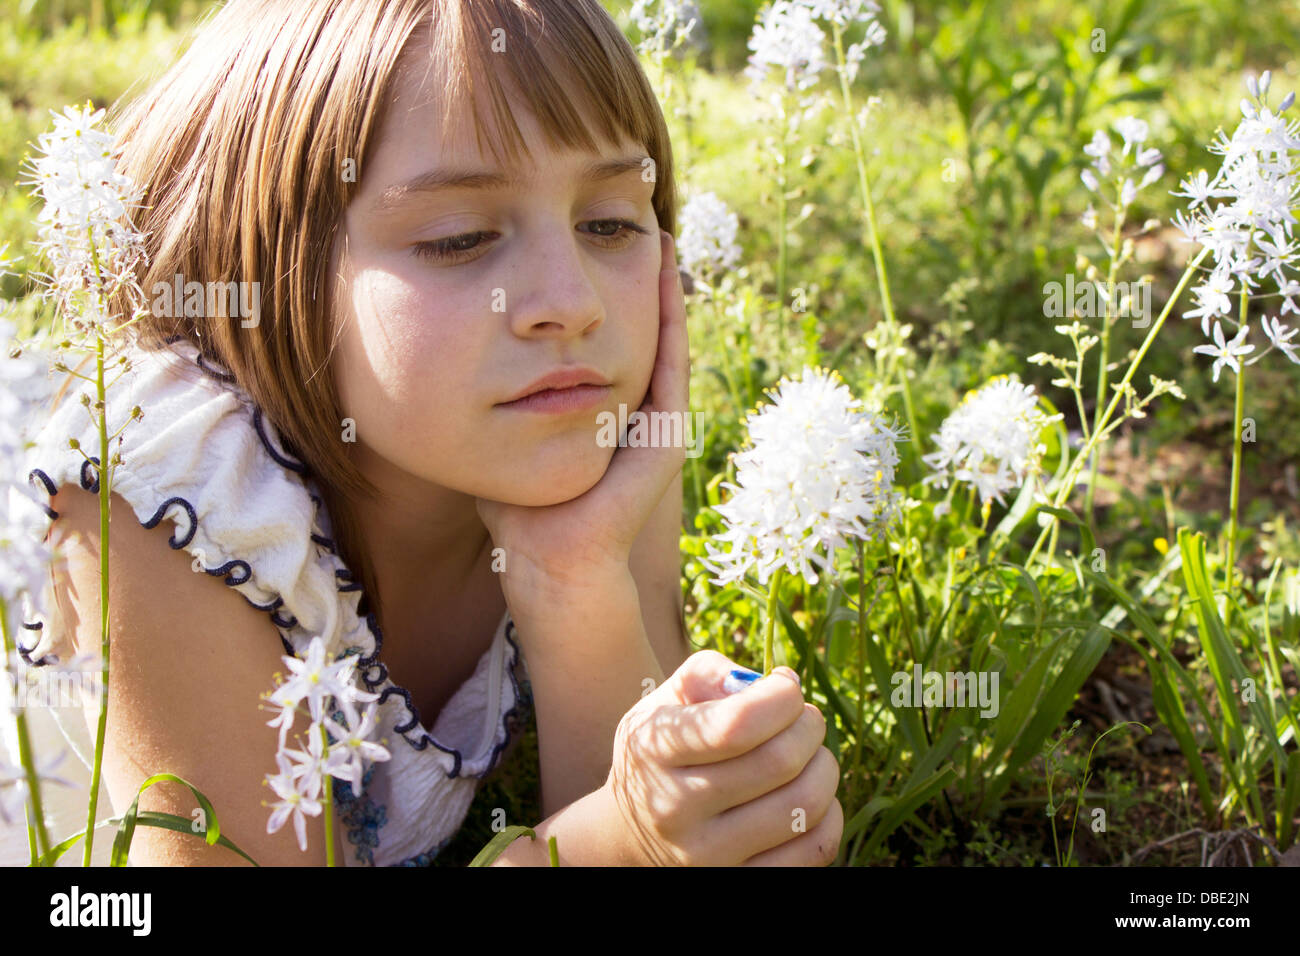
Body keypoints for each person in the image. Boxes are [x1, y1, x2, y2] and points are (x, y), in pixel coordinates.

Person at [17, 0, 842, 866]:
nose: (573, 302)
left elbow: (646, 782)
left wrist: (574, 577)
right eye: (460, 238)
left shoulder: (581, 437)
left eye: (609, 223)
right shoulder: (160, 500)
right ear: (263, 269)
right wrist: (615, 845)